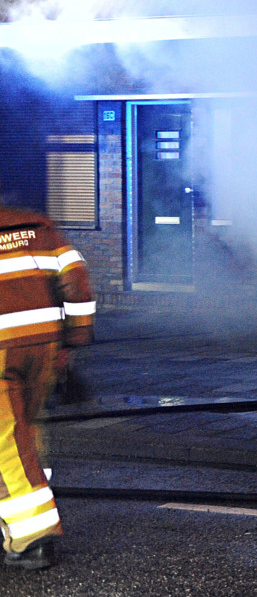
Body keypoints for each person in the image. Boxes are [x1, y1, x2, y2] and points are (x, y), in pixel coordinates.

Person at [0, 198, 94, 570]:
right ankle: (22, 517)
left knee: (8, 442)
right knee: (26, 434)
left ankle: (34, 537)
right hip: (43, 347)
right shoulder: (38, 227)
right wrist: (75, 339)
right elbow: (77, 282)